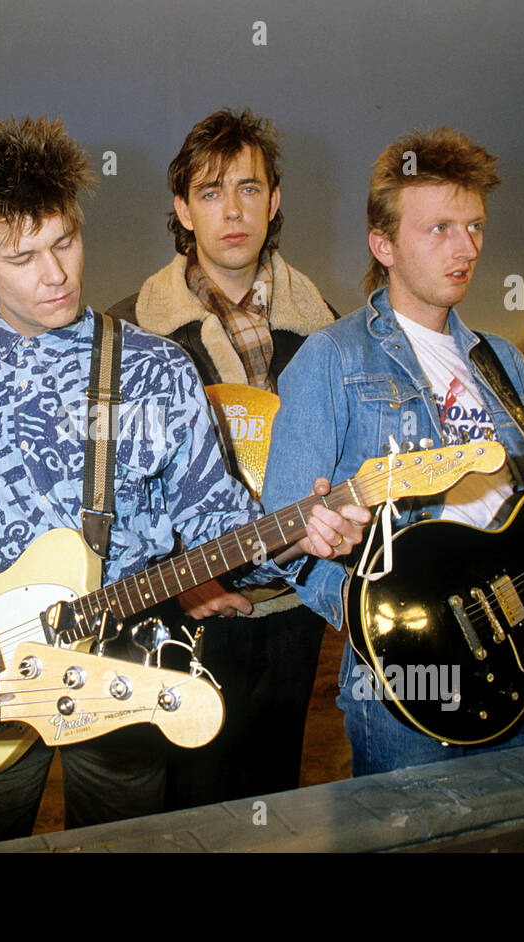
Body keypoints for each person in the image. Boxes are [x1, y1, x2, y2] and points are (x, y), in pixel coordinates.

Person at [0, 115, 365, 849]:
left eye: (65, 243)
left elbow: (219, 525)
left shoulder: (153, 369)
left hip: (125, 676)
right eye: (22, 257)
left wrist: (305, 535)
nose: (54, 275)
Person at [262, 127, 524, 776]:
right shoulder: (332, 358)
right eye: (440, 228)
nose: (465, 247)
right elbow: (285, 534)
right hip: (407, 696)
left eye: (474, 227)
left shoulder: (503, 363)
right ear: (382, 243)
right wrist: (387, 628)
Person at [106, 108, 340, 807]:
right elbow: (110, 494)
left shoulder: (328, 324)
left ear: (274, 202)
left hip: (294, 608)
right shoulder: (127, 330)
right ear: (182, 208)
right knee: (186, 816)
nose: (232, 210)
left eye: (248, 188)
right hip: (179, 618)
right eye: (210, 192)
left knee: (277, 802)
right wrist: (178, 577)